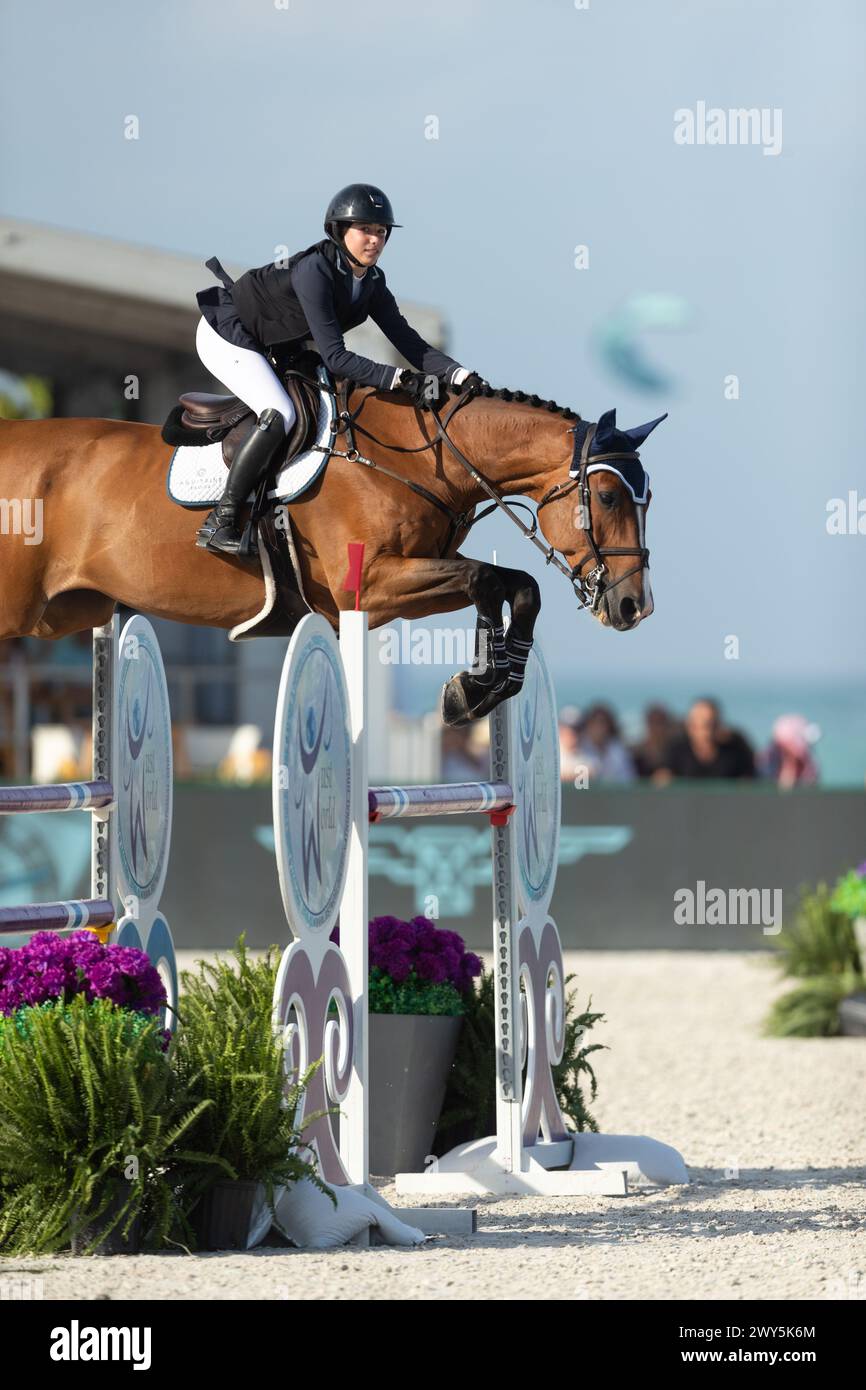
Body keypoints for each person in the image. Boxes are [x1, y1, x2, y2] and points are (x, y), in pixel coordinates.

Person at [193, 183, 483, 555]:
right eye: (366, 230)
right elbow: (336, 357)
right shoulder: (315, 270)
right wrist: (400, 379)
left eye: (382, 232)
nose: (375, 240)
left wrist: (459, 375)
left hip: (276, 346)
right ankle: (221, 520)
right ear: (339, 230)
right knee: (280, 412)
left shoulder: (372, 281)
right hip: (228, 334)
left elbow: (408, 341)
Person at [659, 697, 755, 781]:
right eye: (698, 726)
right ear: (689, 726)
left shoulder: (735, 750)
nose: (706, 732)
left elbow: (749, 782)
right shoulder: (676, 750)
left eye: (711, 725)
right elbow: (661, 781)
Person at [574, 703, 636, 784]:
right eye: (595, 722)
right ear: (588, 724)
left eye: (603, 723)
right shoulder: (578, 748)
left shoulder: (619, 751)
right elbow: (579, 785)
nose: (599, 727)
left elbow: (628, 779)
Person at [758, 714, 821, 787]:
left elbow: (811, 782)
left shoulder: (807, 761)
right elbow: (783, 789)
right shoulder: (767, 760)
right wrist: (790, 761)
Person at [631, 702, 679, 779]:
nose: (657, 728)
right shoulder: (636, 755)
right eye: (653, 723)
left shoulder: (677, 753)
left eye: (661, 723)